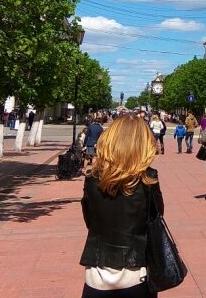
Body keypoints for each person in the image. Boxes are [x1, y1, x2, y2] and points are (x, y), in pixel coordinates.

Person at [79, 115, 163, 297]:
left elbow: (89, 220)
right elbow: (156, 220)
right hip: (135, 272)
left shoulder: (92, 179)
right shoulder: (148, 179)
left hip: (96, 271)